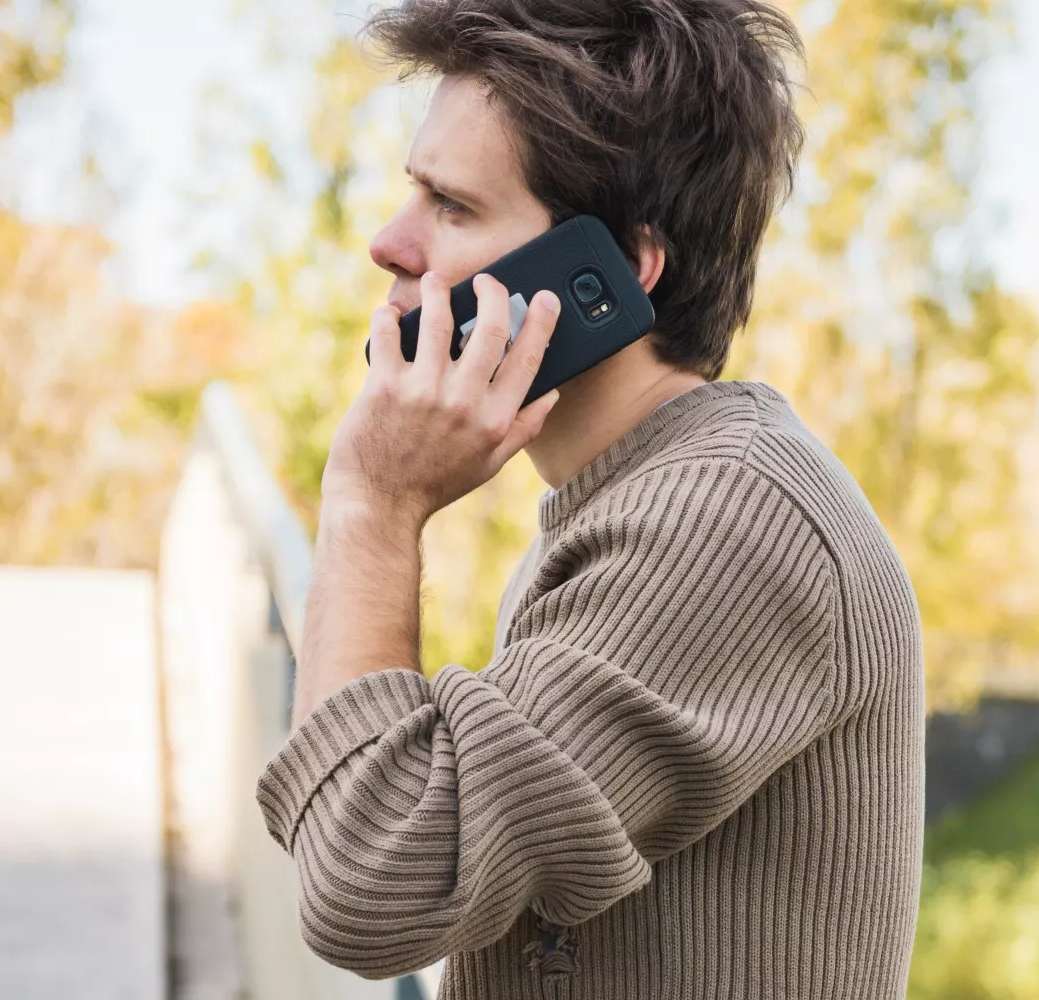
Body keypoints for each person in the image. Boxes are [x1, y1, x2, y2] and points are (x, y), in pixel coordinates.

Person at [253, 1, 925, 997]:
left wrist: (369, 504)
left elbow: (371, 878)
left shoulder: (729, 522)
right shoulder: (639, 503)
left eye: (452, 206)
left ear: (612, 273)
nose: (390, 245)